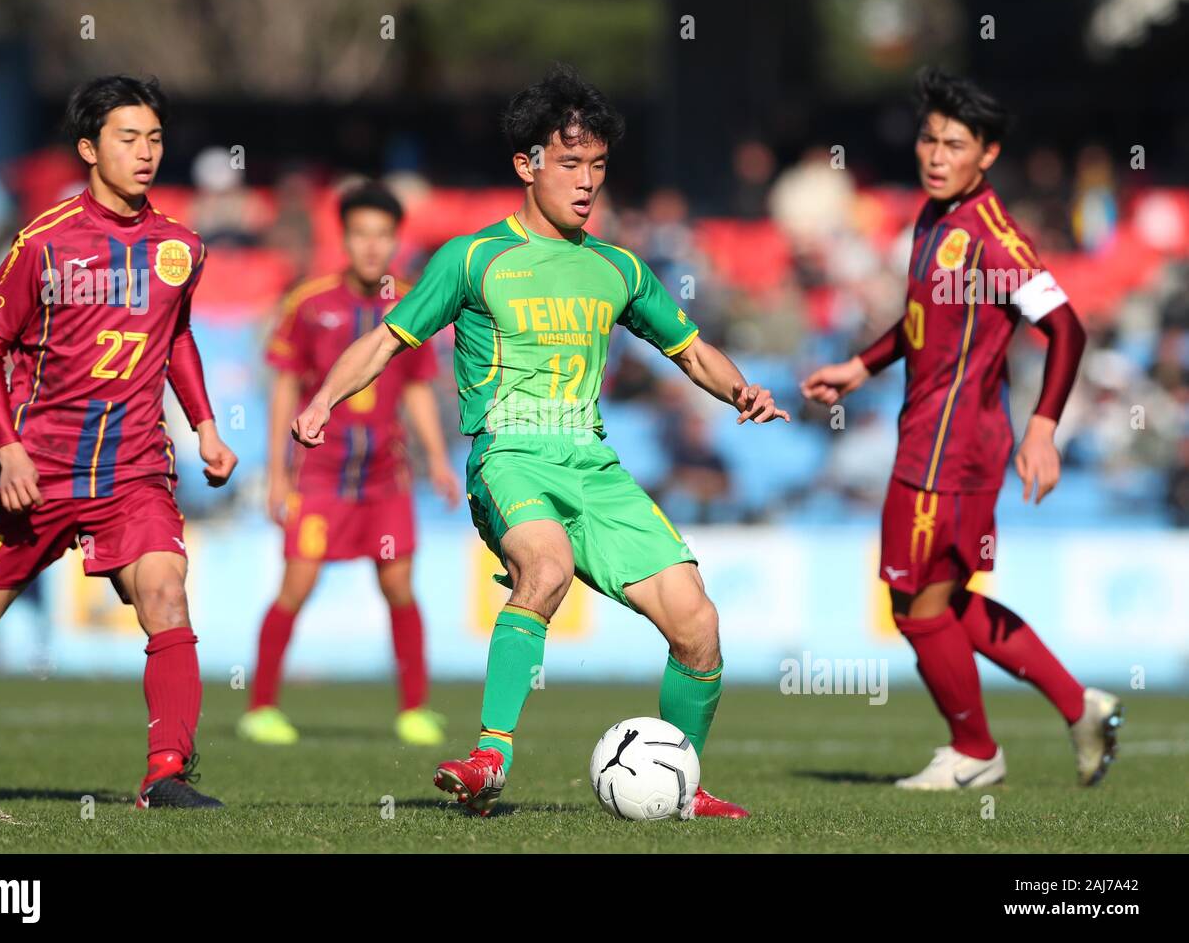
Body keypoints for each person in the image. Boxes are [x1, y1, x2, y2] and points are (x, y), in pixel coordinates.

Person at [291, 65, 790, 817]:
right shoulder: (471, 258)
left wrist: (741, 388)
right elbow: (388, 341)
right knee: (547, 565)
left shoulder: (618, 268)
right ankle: (490, 755)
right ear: (526, 165)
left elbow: (690, 352)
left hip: (593, 463)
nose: (586, 181)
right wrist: (324, 397)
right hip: (510, 455)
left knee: (698, 622)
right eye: (569, 164)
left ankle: (681, 788)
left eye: (596, 166)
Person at [0, 75, 238, 809]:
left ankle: (165, 773)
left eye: (154, 139)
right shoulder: (42, 243)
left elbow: (176, 339)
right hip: (38, 471)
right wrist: (9, 448)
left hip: (135, 471)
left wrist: (204, 424)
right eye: (127, 138)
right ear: (89, 149)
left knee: (166, 595)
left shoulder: (179, 248)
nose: (145, 153)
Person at [801, 68, 1122, 791]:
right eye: (928, 138)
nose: (935, 154)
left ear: (988, 154)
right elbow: (923, 324)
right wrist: (862, 365)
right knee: (937, 598)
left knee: (916, 609)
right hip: (933, 437)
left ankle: (976, 753)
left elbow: (1067, 329)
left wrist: (1043, 427)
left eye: (955, 144)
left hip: (952, 451)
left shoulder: (994, 238)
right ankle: (1081, 706)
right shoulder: (932, 217)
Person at [239, 181, 458, 747]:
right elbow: (285, 388)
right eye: (360, 233)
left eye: (382, 235)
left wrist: (437, 460)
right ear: (344, 238)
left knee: (400, 587)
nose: (371, 246)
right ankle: (260, 707)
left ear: (393, 240)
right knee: (297, 585)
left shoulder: (410, 301)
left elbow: (414, 389)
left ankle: (414, 710)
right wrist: (279, 472)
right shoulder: (310, 303)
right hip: (321, 477)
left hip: (386, 478)